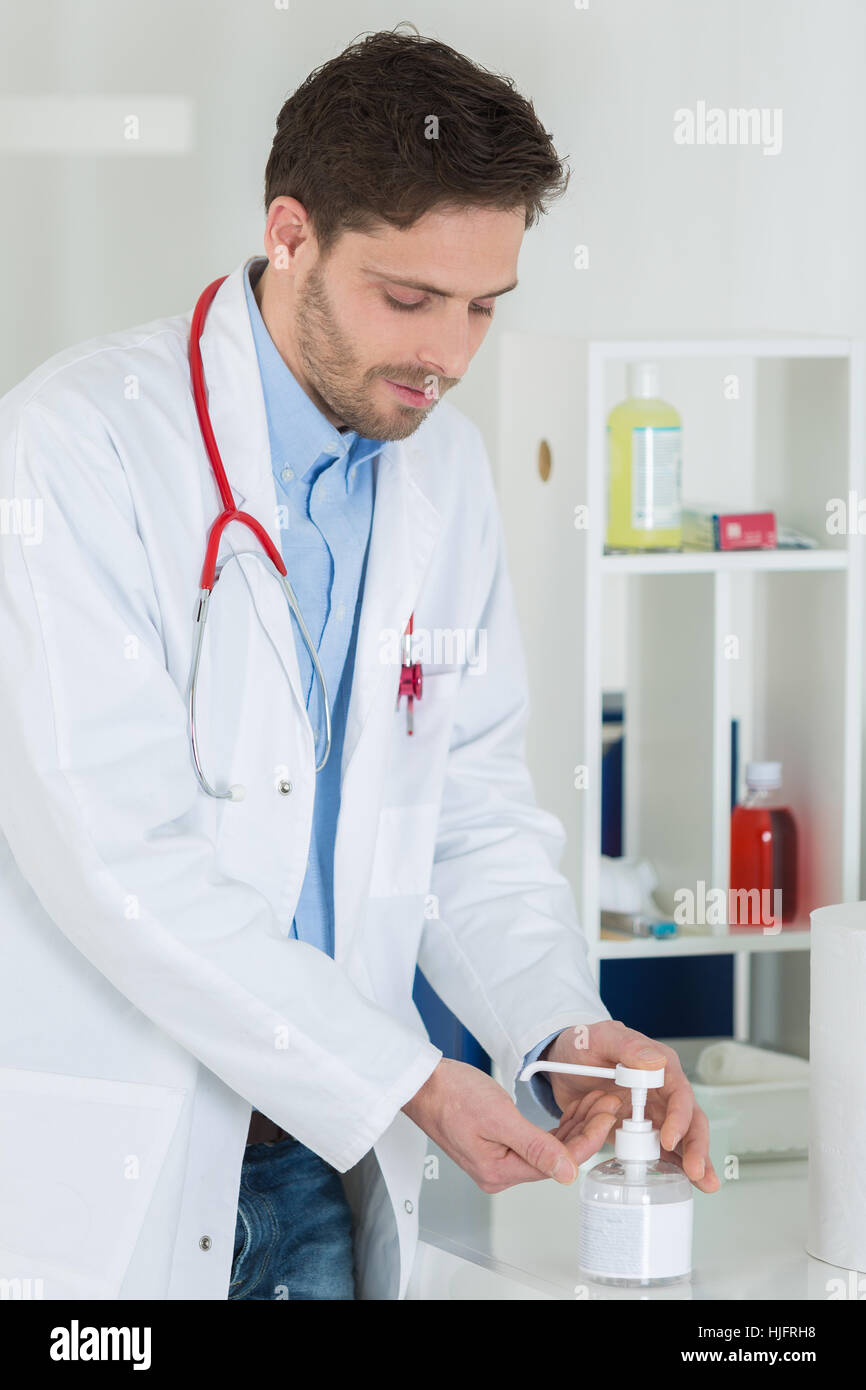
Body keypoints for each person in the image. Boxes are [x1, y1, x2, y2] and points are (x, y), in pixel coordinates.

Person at [0, 27, 719, 1303]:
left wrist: (559, 1028)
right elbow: (117, 857)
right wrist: (401, 1077)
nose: (446, 354)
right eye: (407, 297)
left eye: (482, 308)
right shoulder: (75, 448)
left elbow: (466, 816)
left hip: (321, 1169)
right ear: (291, 236)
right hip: (132, 1156)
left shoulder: (439, 470)